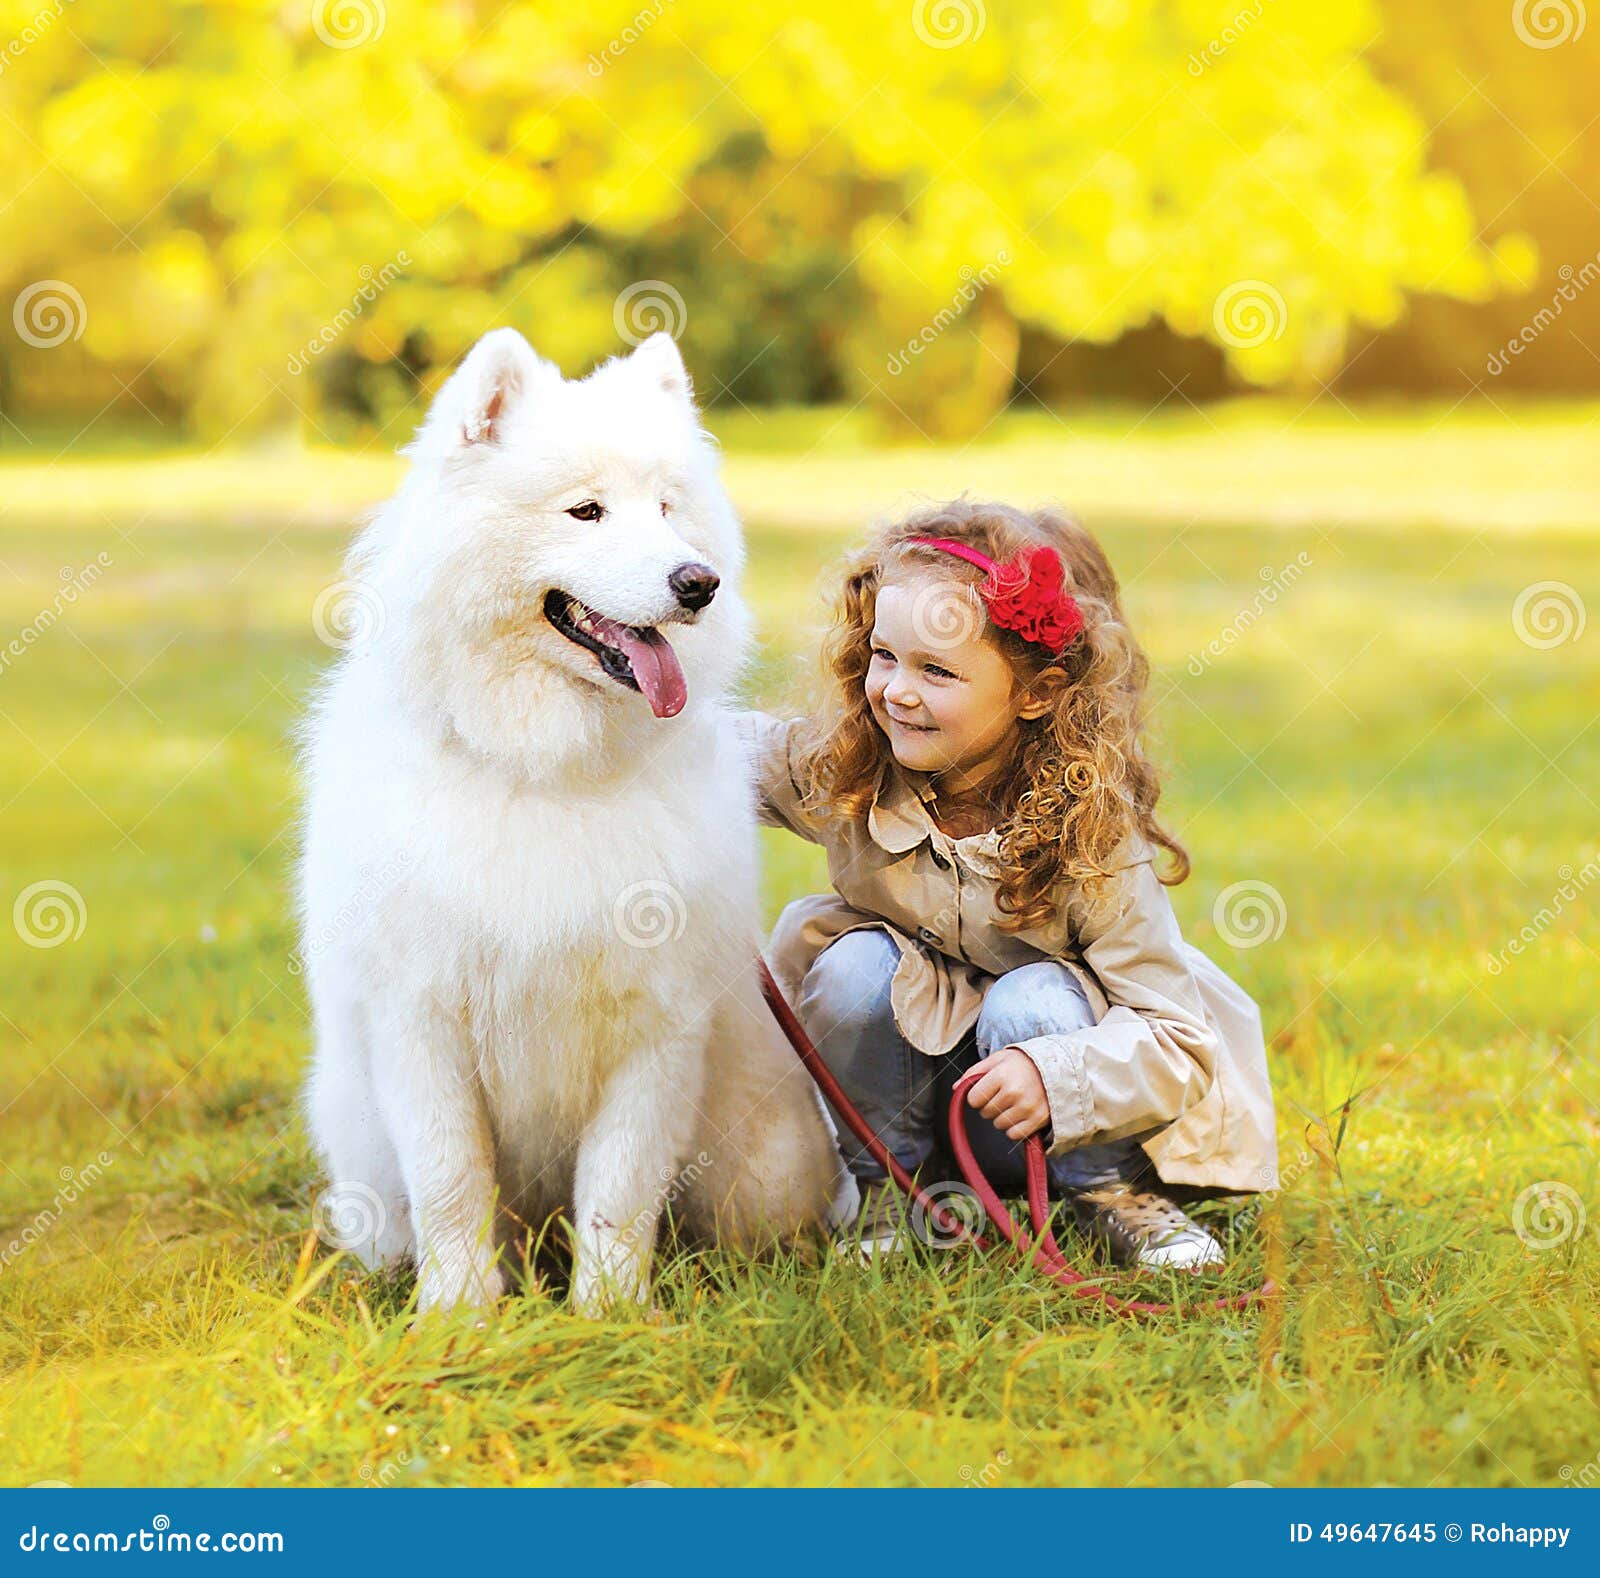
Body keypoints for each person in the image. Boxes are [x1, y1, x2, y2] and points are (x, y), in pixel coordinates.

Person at [735, 499, 1278, 1268]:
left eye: (937, 670)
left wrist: (1056, 1072)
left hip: (1054, 1111)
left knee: (1034, 998)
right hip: (921, 1105)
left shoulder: (1089, 832)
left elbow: (1177, 1040)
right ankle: (890, 1186)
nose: (897, 692)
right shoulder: (849, 764)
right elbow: (707, 752)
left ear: (1035, 693)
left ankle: (1108, 1191)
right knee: (853, 967)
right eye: (884, 656)